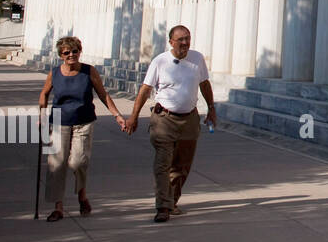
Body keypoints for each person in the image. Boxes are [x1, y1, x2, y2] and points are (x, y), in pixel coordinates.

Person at [124, 25, 216, 222]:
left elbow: (204, 84)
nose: (184, 43)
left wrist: (211, 108)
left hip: (189, 119)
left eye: (187, 38)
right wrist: (133, 117)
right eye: (180, 39)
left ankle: (171, 201)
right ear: (171, 42)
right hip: (164, 119)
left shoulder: (197, 58)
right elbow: (145, 89)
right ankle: (162, 206)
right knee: (163, 164)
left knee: (182, 166)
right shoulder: (160, 61)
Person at [37, 36, 127, 222]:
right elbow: (44, 94)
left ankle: (81, 195)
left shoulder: (88, 71)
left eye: (75, 51)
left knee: (78, 162)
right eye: (67, 52)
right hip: (59, 121)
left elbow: (103, 94)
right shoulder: (55, 73)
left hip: (83, 121)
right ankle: (58, 207)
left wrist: (117, 115)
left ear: (80, 51)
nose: (71, 55)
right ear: (61, 55)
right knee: (56, 164)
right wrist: (42, 116)